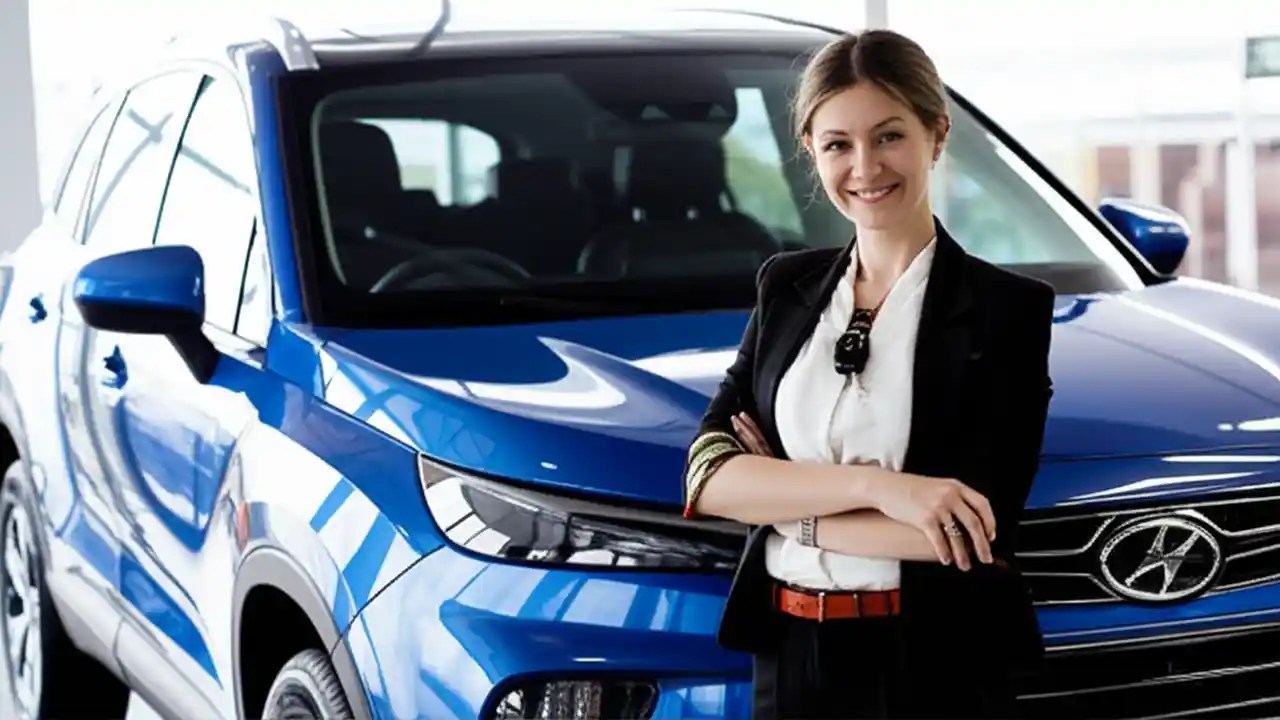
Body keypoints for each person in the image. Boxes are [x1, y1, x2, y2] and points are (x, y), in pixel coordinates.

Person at [682, 29, 1056, 720]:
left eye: (888, 136)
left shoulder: (1008, 311)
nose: (865, 166)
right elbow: (709, 476)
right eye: (837, 145)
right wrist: (882, 490)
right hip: (788, 649)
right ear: (811, 153)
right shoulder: (785, 288)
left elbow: (973, 531)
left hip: (928, 660)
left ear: (936, 136)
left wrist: (789, 511)